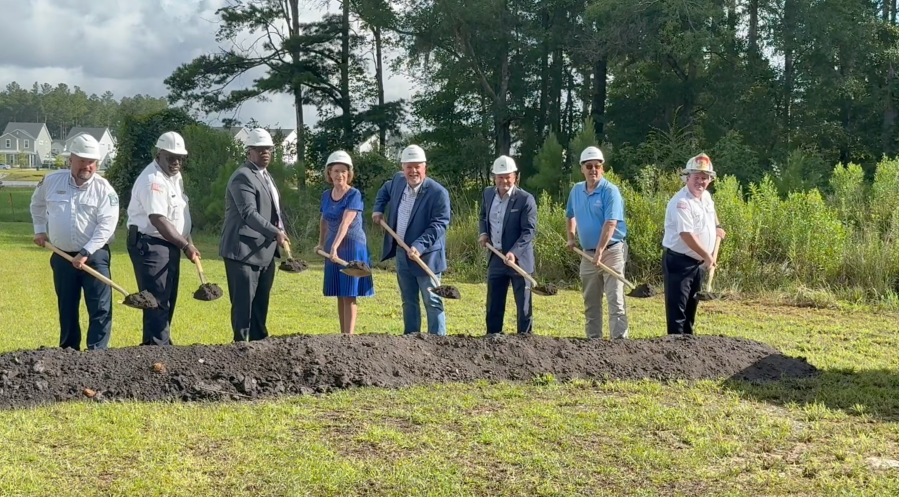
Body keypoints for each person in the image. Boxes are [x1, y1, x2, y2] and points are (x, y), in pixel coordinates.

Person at [30, 134, 119, 350]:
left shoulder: (104, 189)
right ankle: (68, 352)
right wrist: (40, 230)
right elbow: (37, 204)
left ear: (97, 163)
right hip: (61, 255)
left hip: (94, 255)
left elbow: (107, 225)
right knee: (67, 306)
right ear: (71, 159)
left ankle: (97, 353)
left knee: (100, 307)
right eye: (82, 160)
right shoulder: (51, 181)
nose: (86, 166)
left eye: (91, 162)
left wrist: (86, 252)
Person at [126, 131, 199, 346]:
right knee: (156, 301)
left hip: (168, 244)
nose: (176, 162)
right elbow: (158, 219)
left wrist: (189, 240)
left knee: (166, 300)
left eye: (180, 158)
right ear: (159, 154)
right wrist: (185, 245)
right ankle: (157, 349)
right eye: (171, 157)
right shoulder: (153, 181)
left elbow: (177, 217)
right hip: (150, 245)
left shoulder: (174, 178)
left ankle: (159, 345)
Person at [373, 144, 451, 335]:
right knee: (408, 300)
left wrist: (419, 245)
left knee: (432, 300)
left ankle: (437, 341)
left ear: (425, 167)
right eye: (409, 166)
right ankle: (411, 340)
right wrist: (378, 208)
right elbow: (384, 190)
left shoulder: (438, 193)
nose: (413, 171)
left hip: (427, 256)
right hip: (401, 252)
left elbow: (440, 224)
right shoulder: (398, 181)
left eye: (417, 166)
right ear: (403, 168)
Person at [220, 128, 289, 342]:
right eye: (260, 149)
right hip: (243, 252)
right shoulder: (243, 176)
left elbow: (274, 210)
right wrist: (275, 232)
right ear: (249, 152)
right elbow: (249, 213)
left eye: (268, 149)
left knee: (260, 306)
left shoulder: (266, 176)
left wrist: (281, 230)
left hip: (265, 251)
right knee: (243, 308)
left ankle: (260, 350)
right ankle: (240, 349)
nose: (265, 153)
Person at [565, 146, 629, 339]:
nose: (593, 169)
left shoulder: (610, 191)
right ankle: (594, 342)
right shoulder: (576, 190)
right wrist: (571, 237)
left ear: (603, 168)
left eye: (597, 166)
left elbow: (611, 223)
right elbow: (570, 215)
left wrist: (600, 251)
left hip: (612, 251)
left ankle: (619, 341)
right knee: (590, 300)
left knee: (615, 298)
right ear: (582, 168)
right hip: (587, 253)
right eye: (589, 166)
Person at [662, 153, 726, 335]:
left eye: (704, 178)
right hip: (679, 262)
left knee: (691, 310)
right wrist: (707, 255)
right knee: (678, 312)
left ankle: (689, 351)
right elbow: (686, 234)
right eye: (696, 177)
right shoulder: (681, 203)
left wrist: (717, 226)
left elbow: (711, 212)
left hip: (698, 264)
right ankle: (674, 351)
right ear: (687, 177)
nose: (700, 181)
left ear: (710, 180)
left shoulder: (705, 196)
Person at [314, 151, 375, 335]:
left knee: (349, 292)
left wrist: (334, 247)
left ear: (349, 174)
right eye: (336, 171)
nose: (340, 175)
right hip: (334, 246)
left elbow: (346, 223)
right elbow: (324, 220)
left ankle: (349, 337)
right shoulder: (326, 195)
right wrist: (321, 243)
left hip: (352, 247)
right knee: (339, 293)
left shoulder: (354, 194)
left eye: (343, 171)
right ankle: (342, 336)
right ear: (329, 173)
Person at [477, 155, 537, 336]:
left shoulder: (525, 199)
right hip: (496, 256)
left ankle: (525, 341)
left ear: (515, 177)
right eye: (500, 176)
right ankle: (492, 338)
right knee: (494, 303)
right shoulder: (488, 194)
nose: (504, 181)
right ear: (494, 177)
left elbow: (529, 231)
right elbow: (483, 216)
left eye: (507, 176)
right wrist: (483, 233)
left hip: (519, 261)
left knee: (523, 305)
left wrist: (514, 253)